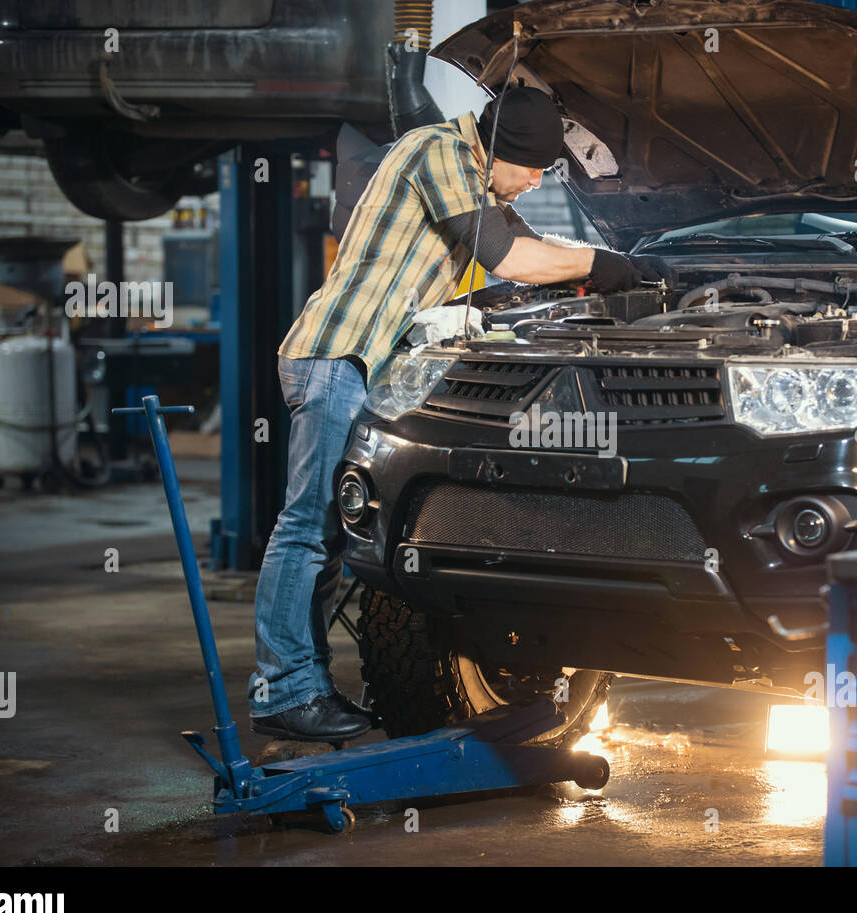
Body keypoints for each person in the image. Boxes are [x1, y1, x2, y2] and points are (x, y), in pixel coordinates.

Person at [249, 85, 671, 741]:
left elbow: (536, 253)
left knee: (341, 530)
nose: (535, 182)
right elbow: (509, 257)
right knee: (312, 526)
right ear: (501, 149)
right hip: (336, 354)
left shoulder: (482, 186)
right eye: (532, 168)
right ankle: (284, 690)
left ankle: (305, 687)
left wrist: (628, 268)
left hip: (363, 364)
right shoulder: (438, 151)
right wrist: (602, 262)